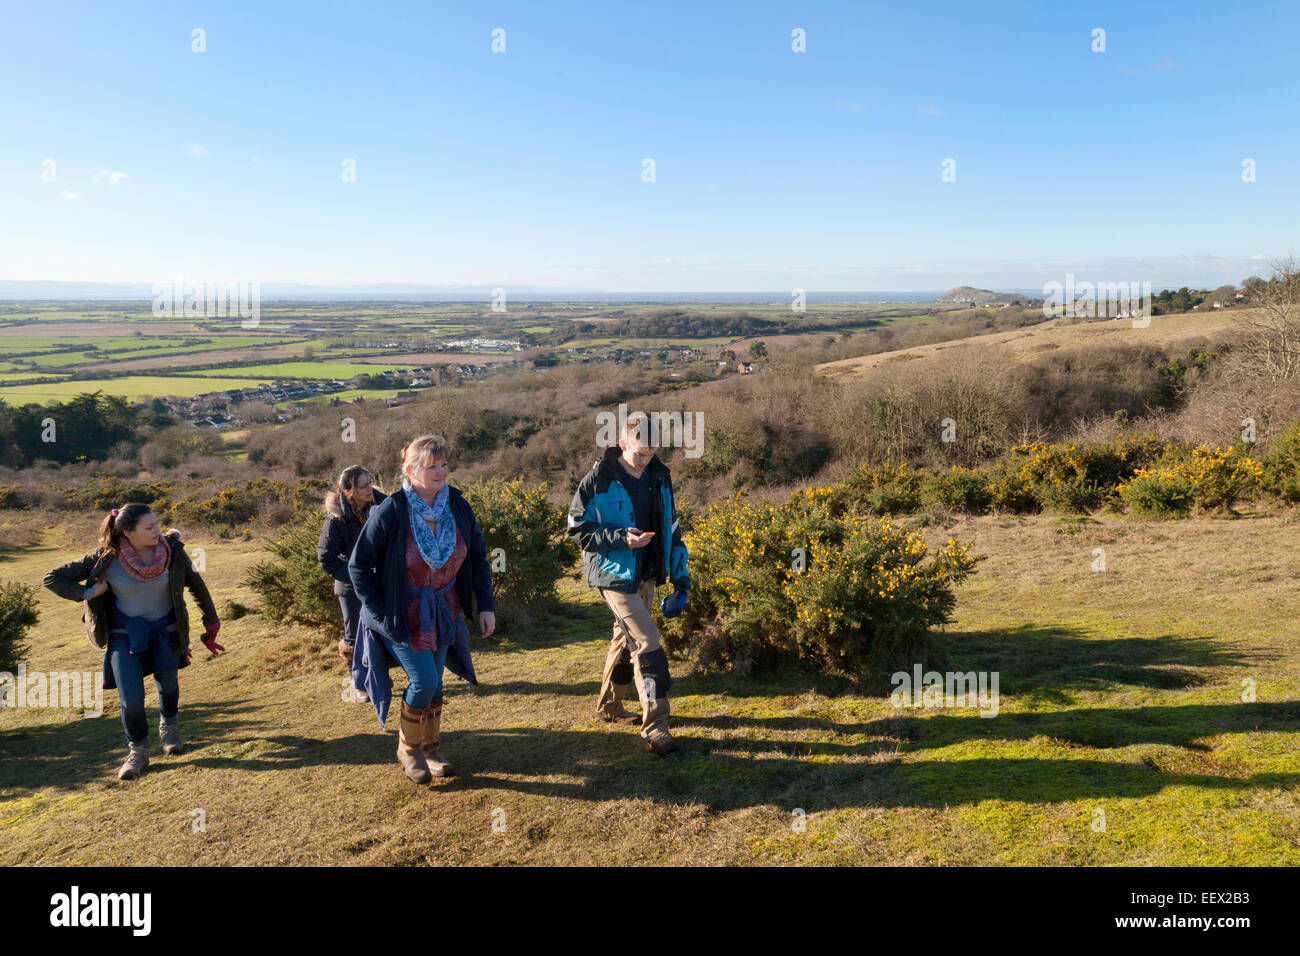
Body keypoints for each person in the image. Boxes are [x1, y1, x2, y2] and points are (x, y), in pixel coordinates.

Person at [348, 435, 496, 783]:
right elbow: (359, 566)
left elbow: (477, 555)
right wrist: (382, 613)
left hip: (445, 607)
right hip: (402, 611)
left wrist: (485, 605)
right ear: (410, 470)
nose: (441, 471)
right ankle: (408, 749)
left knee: (436, 684)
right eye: (432, 466)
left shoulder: (457, 505)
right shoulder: (391, 510)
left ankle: (432, 750)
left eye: (444, 464)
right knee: (424, 679)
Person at [42, 504, 224, 780]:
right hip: (123, 635)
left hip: (167, 630)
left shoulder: (172, 551)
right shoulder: (104, 559)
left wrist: (211, 620)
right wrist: (88, 592)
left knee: (168, 685)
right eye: (149, 528)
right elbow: (52, 578)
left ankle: (169, 728)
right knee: (131, 699)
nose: (157, 532)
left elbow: (196, 584)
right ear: (127, 532)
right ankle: (138, 751)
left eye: (158, 525)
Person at [567, 412, 690, 756]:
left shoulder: (660, 477)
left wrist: (681, 580)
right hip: (614, 574)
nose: (646, 460)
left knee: (626, 641)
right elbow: (577, 530)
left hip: (648, 574)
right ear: (622, 444)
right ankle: (656, 725)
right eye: (640, 453)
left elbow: (673, 531)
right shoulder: (597, 480)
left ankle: (609, 706)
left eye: (652, 453)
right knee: (647, 643)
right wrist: (621, 537)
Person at [318, 465, 387, 702]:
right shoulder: (336, 519)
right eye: (363, 486)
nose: (370, 489)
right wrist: (356, 575)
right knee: (354, 636)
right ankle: (359, 684)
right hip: (350, 588)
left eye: (371, 482)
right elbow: (326, 559)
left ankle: (381, 678)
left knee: (383, 630)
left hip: (383, 580)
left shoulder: (384, 505)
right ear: (349, 492)